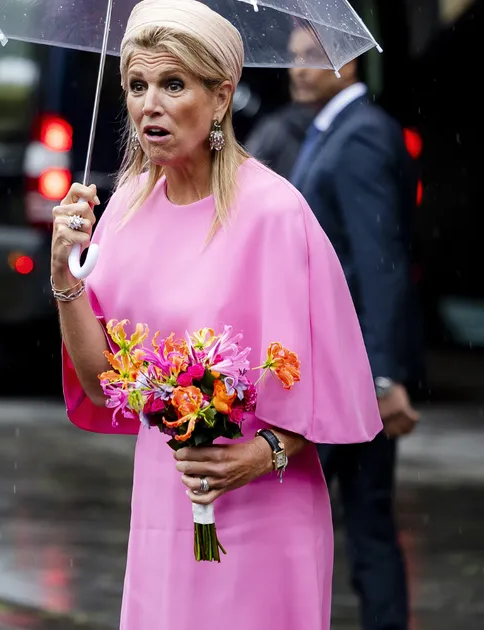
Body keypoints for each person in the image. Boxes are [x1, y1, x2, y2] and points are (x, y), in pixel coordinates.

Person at [53, 1, 381, 628]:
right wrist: (65, 278)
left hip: (264, 511)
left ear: (221, 96)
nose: (150, 104)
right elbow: (101, 385)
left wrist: (261, 454)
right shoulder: (125, 207)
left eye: (173, 84)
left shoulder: (275, 213)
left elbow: (325, 392)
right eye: (137, 85)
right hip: (163, 498)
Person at [287, 27, 421, 630]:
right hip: (345, 364)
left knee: (333, 515)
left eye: (311, 58)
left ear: (350, 62)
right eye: (293, 58)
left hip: (353, 372)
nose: (297, 69)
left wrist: (383, 375)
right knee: (365, 519)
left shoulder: (361, 134)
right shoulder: (332, 131)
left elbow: (379, 261)